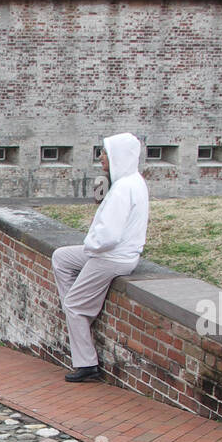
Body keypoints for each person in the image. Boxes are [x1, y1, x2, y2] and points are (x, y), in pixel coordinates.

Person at [50, 132, 150, 382]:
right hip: (114, 254)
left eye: (104, 153)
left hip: (111, 258)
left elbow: (108, 236)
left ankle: (86, 363)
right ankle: (78, 311)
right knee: (61, 258)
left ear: (117, 156)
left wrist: (91, 246)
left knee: (74, 305)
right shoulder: (134, 181)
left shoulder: (122, 189)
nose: (101, 158)